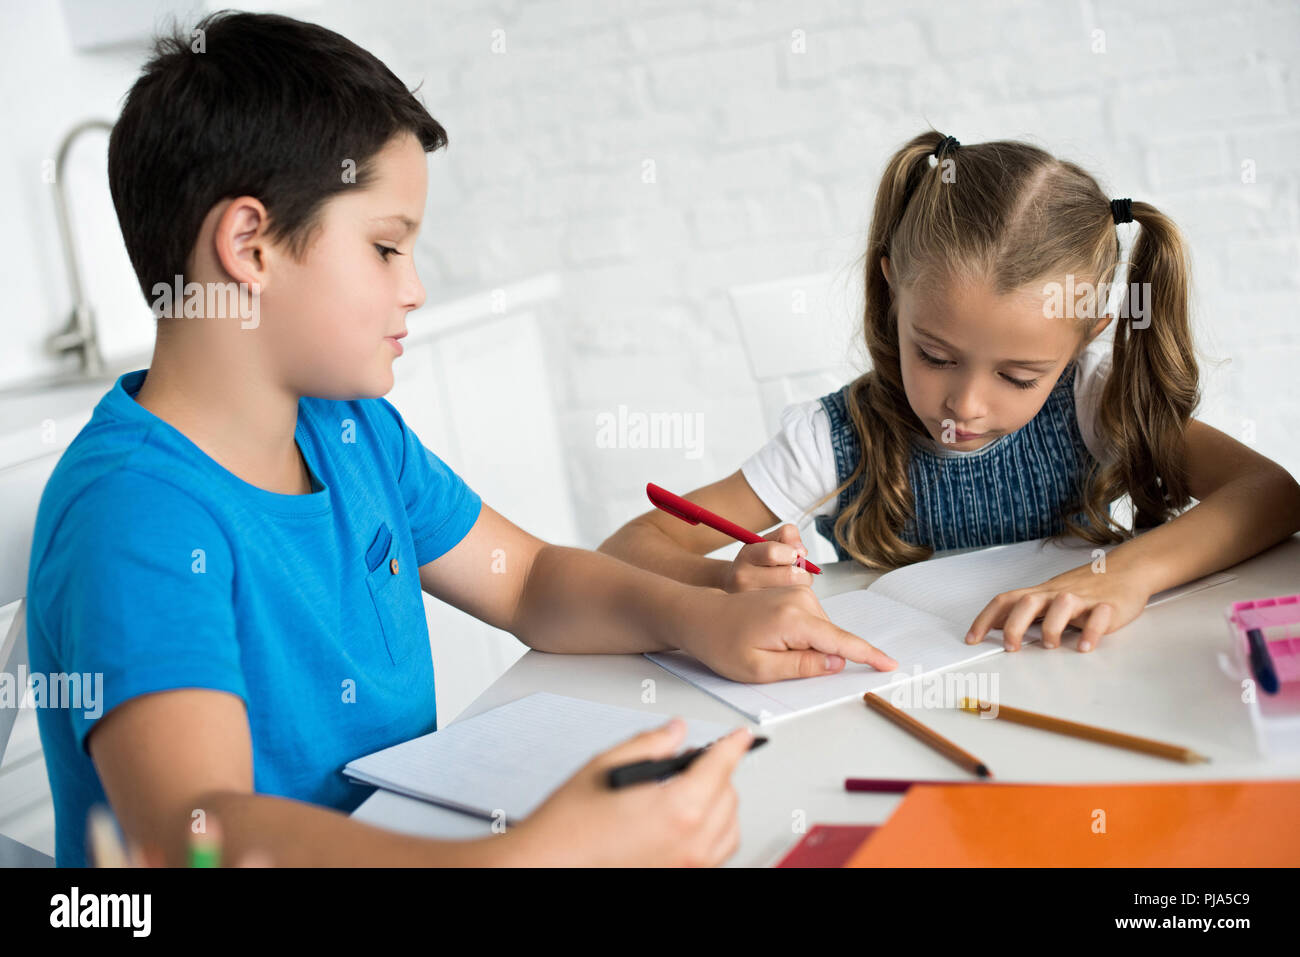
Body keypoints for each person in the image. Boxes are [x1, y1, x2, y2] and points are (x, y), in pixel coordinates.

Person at [25, 10, 897, 869]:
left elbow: (524, 580)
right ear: (250, 245)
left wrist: (706, 616)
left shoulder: (348, 430)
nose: (415, 288)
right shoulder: (134, 514)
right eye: (385, 248)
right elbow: (190, 835)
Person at [602, 130, 1300, 655]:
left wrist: (1126, 574)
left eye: (1018, 376)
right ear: (891, 291)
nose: (964, 404)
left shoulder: (1091, 399)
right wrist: (730, 583)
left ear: (1087, 333)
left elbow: (1269, 490)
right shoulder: (835, 437)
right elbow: (637, 542)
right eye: (935, 355)